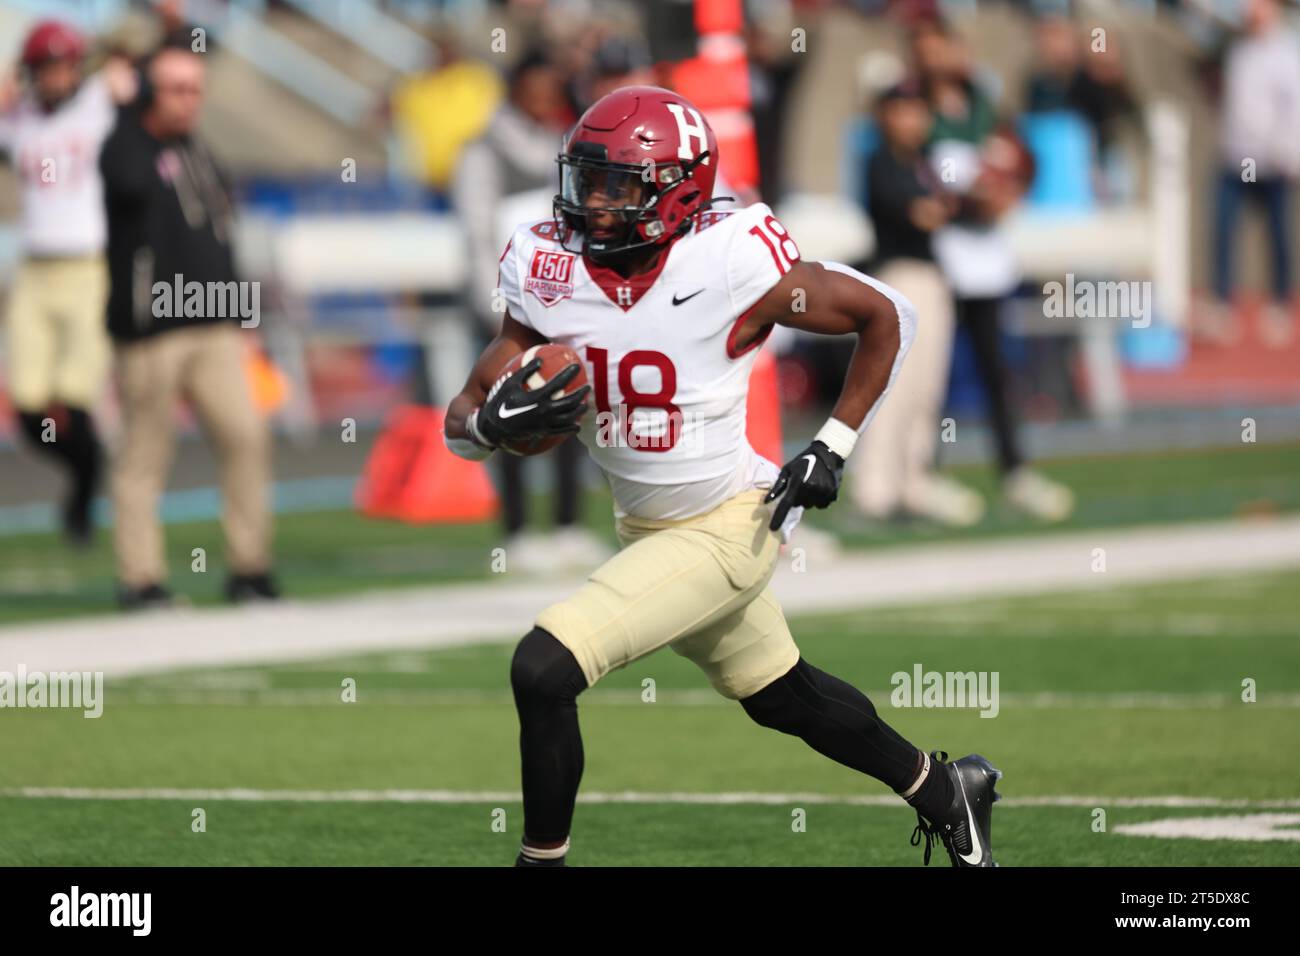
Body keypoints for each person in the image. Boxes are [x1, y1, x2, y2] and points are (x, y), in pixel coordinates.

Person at [443, 87, 1002, 867]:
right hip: (646, 527)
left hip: (730, 522)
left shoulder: (730, 257)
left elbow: (886, 315)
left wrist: (831, 445)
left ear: (675, 191)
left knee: (542, 668)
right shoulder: (548, 268)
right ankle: (948, 791)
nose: (595, 206)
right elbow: (461, 418)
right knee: (784, 696)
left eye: (619, 187)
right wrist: (489, 429)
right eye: (586, 183)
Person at [100, 43, 277, 609]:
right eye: (175, 89)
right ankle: (142, 580)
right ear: (148, 92)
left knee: (246, 437)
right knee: (144, 457)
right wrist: (128, 111)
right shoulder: (126, 144)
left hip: (215, 323)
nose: (188, 101)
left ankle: (249, 570)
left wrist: (244, 316)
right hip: (153, 330)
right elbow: (128, 185)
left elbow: (224, 237)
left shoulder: (200, 150)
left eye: (195, 89)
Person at [452, 52, 609, 573]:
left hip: (560, 296)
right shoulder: (484, 149)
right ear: (515, 89)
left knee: (568, 404)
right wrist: (497, 303)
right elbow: (477, 233)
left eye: (551, 89)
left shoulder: (567, 141)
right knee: (505, 407)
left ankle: (567, 524)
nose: (545, 99)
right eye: (535, 89)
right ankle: (516, 531)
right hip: (508, 300)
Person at [913, 19, 1074, 522]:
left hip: (984, 260)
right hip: (938, 257)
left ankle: (1013, 470)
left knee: (995, 369)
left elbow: (1021, 161)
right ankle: (923, 471)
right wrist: (964, 200)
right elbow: (915, 181)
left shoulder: (982, 103)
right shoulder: (914, 107)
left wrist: (1007, 192)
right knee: (929, 373)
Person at [0, 21, 133, 545]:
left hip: (88, 267)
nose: (56, 78)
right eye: (46, 68)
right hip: (36, 268)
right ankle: (86, 472)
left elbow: (166, 60)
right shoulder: (20, 120)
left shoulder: (100, 103)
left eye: (64, 66)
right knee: (30, 407)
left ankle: (84, 492)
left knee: (75, 400)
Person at [850, 81, 983, 526]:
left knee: (926, 390)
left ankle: (913, 482)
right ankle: (875, 490)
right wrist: (956, 203)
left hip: (932, 277)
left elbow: (951, 207)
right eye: (901, 111)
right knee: (894, 388)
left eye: (916, 111)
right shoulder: (880, 163)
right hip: (899, 278)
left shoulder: (925, 163)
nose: (911, 121)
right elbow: (920, 212)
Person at [1209, 0, 1300, 347]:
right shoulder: (1237, 50)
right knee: (1224, 227)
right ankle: (1222, 304)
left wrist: (1288, 153)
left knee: (1277, 233)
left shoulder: (1287, 53)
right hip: (1239, 160)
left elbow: (1294, 107)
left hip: (1273, 161)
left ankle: (1279, 304)